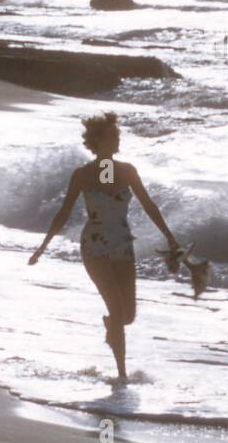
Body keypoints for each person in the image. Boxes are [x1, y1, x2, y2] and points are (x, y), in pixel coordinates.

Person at [29, 110, 179, 381]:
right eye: (111, 137)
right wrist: (43, 246)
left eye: (117, 136)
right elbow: (64, 212)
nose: (117, 140)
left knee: (128, 315)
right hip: (95, 247)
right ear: (96, 141)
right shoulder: (83, 175)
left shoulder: (128, 171)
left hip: (123, 245)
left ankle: (112, 327)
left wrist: (170, 237)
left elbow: (149, 206)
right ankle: (121, 375)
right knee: (117, 309)